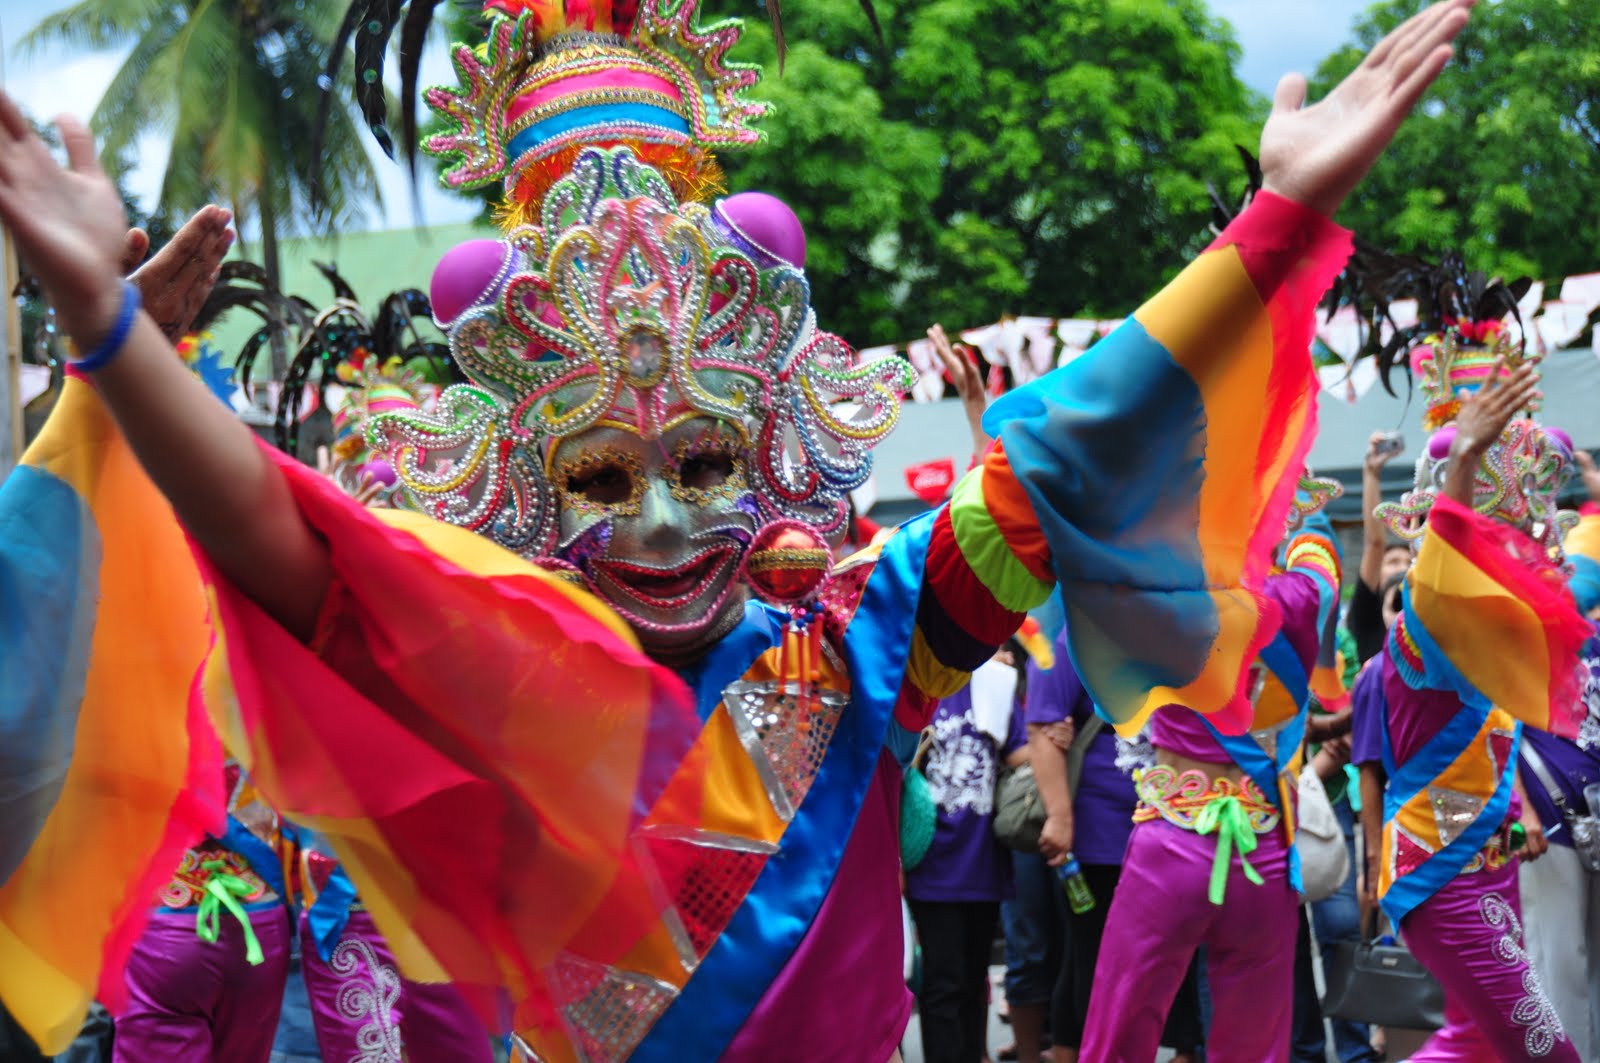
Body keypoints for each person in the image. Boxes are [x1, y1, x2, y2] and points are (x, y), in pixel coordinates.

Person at [0, 0, 1476, 1056]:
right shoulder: (488, 675)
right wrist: (109, 338)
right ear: (525, 489)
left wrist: (1274, 226)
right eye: (600, 477)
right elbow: (278, 537)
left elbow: (1076, 439)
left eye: (703, 459)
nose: (661, 519)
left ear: (768, 451)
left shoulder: (868, 639)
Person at [1352, 323, 1586, 1062]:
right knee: (1547, 1052)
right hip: (1441, 874)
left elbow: (1486, 755)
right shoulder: (1429, 618)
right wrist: (1468, 457)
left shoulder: (1486, 643)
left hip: (1483, 864)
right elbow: (1448, 560)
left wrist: (1518, 820)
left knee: (1474, 1044)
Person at [1075, 482, 1344, 1062]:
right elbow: (1320, 554)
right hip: (1264, 849)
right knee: (1256, 1044)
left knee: (1120, 1026)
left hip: (1173, 839)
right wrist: (1294, 493)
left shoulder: (1162, 594)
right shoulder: (1302, 593)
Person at [1027, 629, 1202, 1063]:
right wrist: (1060, 817)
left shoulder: (1176, 630)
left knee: (1176, 950)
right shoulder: (1073, 640)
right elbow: (1043, 729)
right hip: (1098, 834)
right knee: (1094, 954)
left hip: (1176, 823)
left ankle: (1178, 1049)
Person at [906, 648, 1029, 1063]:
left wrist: (1055, 735)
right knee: (943, 981)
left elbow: (1018, 750)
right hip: (929, 861)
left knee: (974, 980)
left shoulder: (994, 680)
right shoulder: (916, 677)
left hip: (982, 860)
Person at [1514, 482, 1600, 1061]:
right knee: (1557, 960)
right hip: (1547, 823)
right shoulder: (1509, 653)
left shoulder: (1594, 643)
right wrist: (1521, 811)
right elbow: (1497, 735)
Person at [1348, 432, 1414, 664]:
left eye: (1408, 562)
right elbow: (1375, 543)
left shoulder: (1424, 617)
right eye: (1393, 562)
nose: (1402, 568)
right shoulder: (1368, 615)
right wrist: (1371, 473)